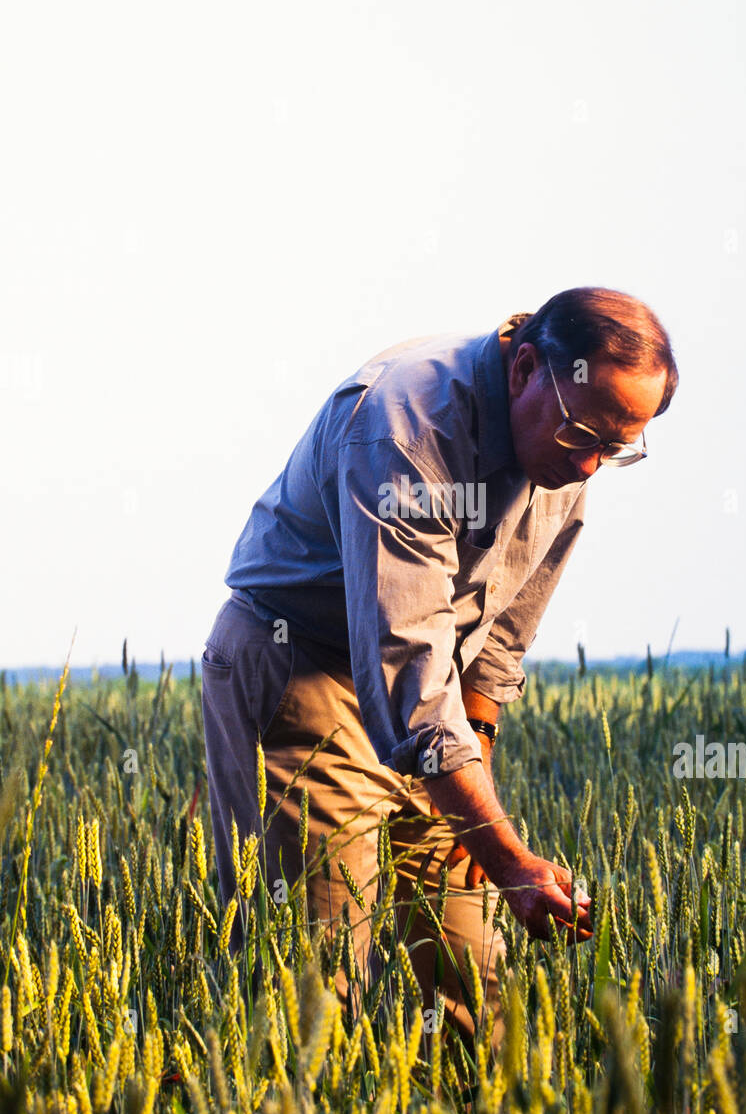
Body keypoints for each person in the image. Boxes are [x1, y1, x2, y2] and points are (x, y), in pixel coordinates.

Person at [200, 286, 678, 1045]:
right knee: (314, 984)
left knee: (476, 983)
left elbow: (492, 652)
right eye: (583, 433)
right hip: (304, 676)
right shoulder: (408, 424)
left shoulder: (567, 456)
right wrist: (510, 854)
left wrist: (481, 817)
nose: (590, 462)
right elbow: (406, 659)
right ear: (525, 368)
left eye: (617, 447)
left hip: (432, 704)